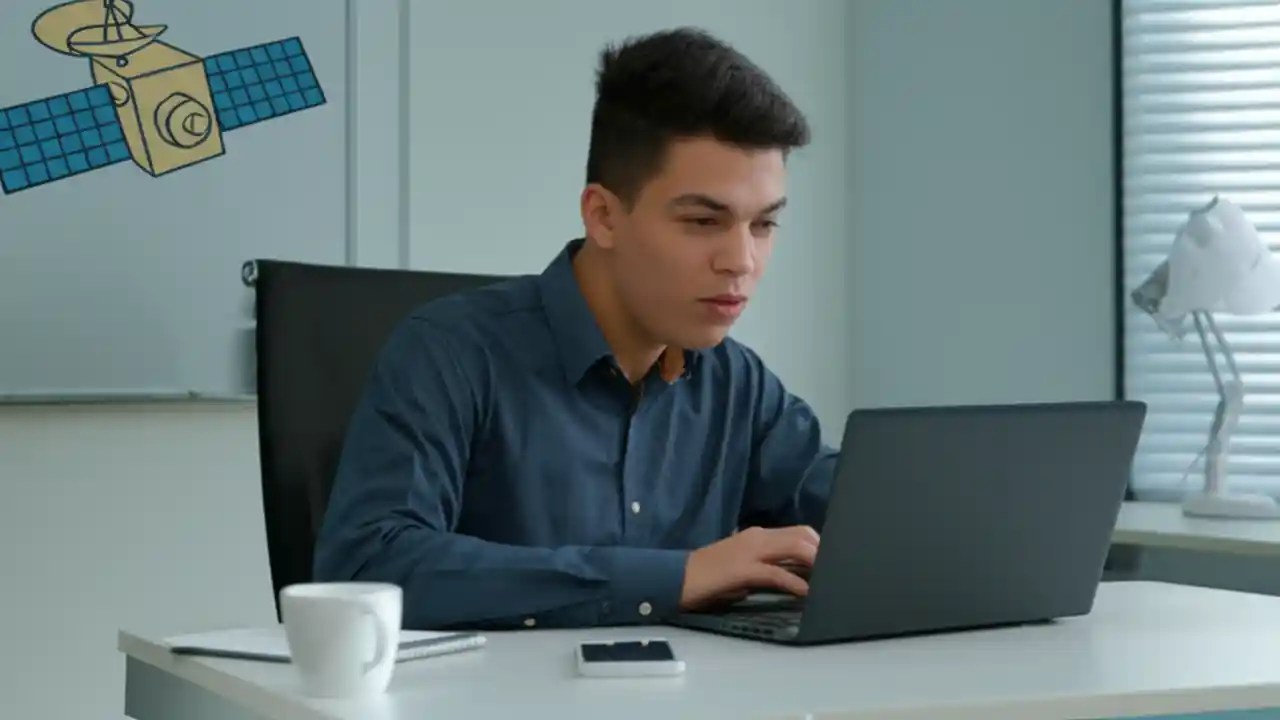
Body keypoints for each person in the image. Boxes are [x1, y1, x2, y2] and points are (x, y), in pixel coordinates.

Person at [313, 26, 839, 630]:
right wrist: (674, 578)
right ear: (603, 215)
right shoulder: (447, 353)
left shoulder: (737, 383)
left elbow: (861, 514)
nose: (741, 261)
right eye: (702, 221)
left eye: (764, 225)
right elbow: (367, 567)